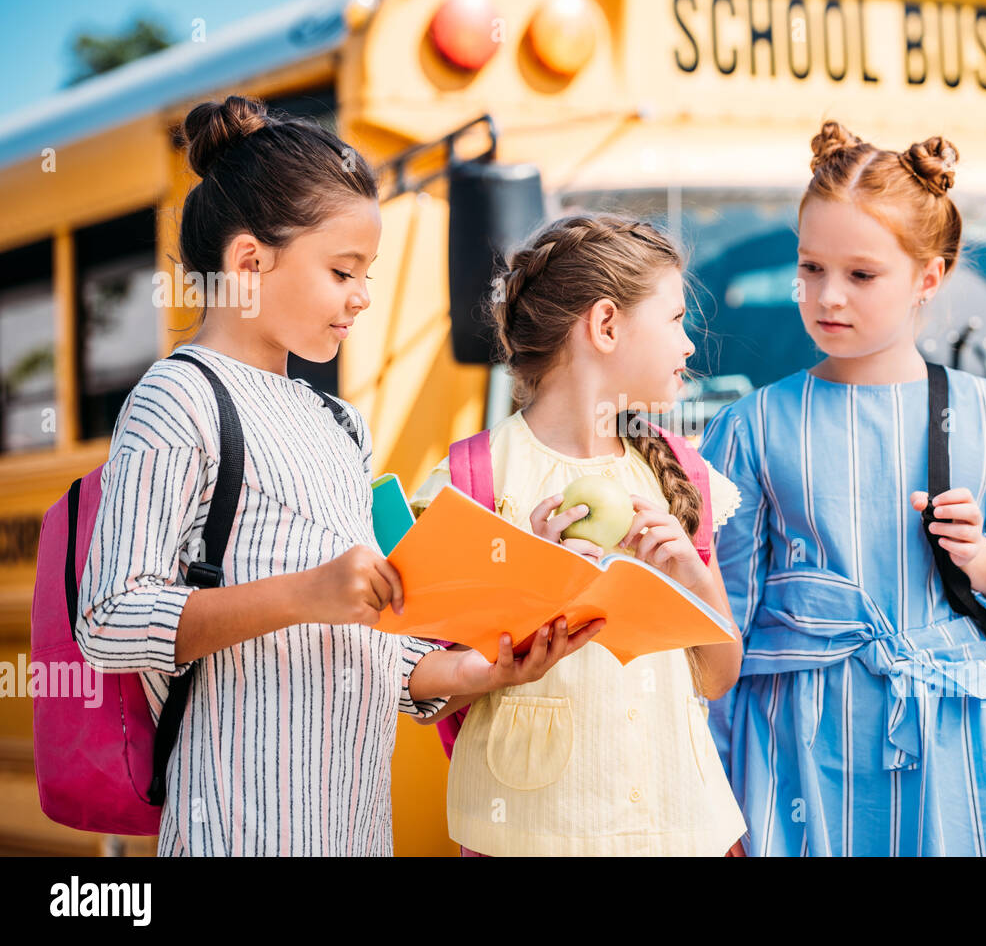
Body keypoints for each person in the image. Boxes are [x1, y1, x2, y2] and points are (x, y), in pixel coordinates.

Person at [75, 95, 599, 856]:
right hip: (236, 831)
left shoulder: (338, 422)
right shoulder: (178, 395)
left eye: (368, 272)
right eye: (342, 270)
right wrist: (307, 592)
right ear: (249, 264)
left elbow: (374, 655)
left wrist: (484, 668)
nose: (362, 295)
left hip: (354, 832)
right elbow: (110, 615)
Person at [699, 121, 986, 856]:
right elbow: (720, 635)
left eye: (860, 274)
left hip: (958, 749)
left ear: (929, 277)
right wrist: (713, 798)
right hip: (795, 752)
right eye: (811, 267)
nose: (827, 296)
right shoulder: (749, 430)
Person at [410, 213, 748, 856]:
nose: (688, 347)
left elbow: (718, 675)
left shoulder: (683, 472)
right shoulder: (470, 480)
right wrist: (529, 587)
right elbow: (423, 685)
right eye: (675, 320)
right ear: (605, 325)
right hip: (531, 837)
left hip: (680, 832)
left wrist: (692, 576)